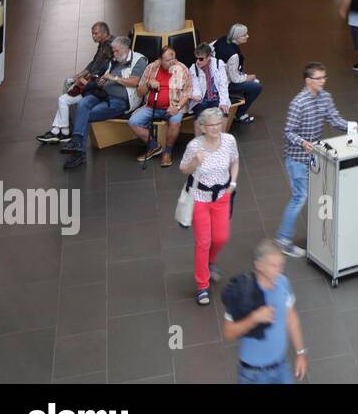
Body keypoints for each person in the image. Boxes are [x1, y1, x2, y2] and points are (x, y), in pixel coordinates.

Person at [277, 63, 351, 257]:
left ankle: (320, 233)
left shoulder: (326, 97)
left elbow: (335, 119)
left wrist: (353, 127)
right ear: (308, 81)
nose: (323, 82)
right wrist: (303, 142)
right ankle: (283, 239)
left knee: (318, 193)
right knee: (300, 197)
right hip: (297, 158)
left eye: (324, 78)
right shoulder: (298, 103)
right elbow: (288, 132)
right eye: (319, 78)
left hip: (315, 156)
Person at [223, 240, 307, 384]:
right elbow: (228, 332)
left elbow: (291, 319)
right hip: (253, 375)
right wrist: (254, 318)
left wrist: (300, 353)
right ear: (259, 265)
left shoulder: (283, 283)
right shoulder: (241, 292)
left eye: (281, 265)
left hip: (281, 367)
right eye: (273, 266)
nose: (279, 270)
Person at [180, 106, 240, 305]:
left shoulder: (229, 141)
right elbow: (183, 169)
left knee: (221, 237)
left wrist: (232, 183)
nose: (215, 128)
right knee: (203, 242)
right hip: (199, 198)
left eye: (218, 123)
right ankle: (202, 286)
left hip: (221, 196)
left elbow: (235, 162)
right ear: (202, 127)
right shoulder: (194, 146)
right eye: (211, 125)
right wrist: (195, 162)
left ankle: (210, 261)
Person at [61, 36, 147, 170]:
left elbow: (135, 82)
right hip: (102, 93)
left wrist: (113, 78)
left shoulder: (139, 60)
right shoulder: (115, 60)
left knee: (85, 114)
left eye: (117, 51)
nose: (114, 54)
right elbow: (105, 74)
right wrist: (103, 81)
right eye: (113, 51)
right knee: (83, 104)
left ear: (125, 49)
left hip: (121, 101)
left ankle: (79, 153)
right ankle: (77, 143)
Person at [37, 21, 112, 145]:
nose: (93, 36)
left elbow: (100, 71)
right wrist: (80, 75)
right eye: (92, 33)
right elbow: (93, 63)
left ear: (104, 33)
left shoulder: (109, 48)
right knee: (66, 89)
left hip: (94, 90)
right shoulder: (103, 44)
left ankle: (64, 132)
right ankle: (57, 130)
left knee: (63, 99)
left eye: (95, 33)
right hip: (91, 83)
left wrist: (82, 80)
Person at [129, 46, 192, 168]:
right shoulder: (152, 68)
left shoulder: (182, 68)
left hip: (174, 106)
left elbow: (188, 93)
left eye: (173, 59)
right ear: (160, 60)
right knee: (133, 122)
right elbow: (140, 92)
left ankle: (167, 152)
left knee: (175, 122)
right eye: (168, 60)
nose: (171, 62)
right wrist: (148, 84)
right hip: (151, 107)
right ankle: (154, 147)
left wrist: (177, 107)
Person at [214, 24, 263, 123]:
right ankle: (239, 114)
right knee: (256, 86)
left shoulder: (222, 39)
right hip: (225, 83)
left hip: (218, 75)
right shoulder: (233, 55)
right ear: (237, 37)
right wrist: (248, 77)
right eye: (244, 35)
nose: (247, 36)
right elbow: (234, 78)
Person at [188, 42, 231, 123]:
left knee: (223, 113)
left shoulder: (218, 64)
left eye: (201, 59)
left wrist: (223, 102)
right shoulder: (193, 68)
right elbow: (195, 85)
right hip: (202, 99)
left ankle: (220, 135)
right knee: (200, 116)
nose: (198, 61)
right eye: (196, 58)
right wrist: (196, 95)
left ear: (208, 57)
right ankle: (200, 135)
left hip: (216, 97)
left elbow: (223, 85)